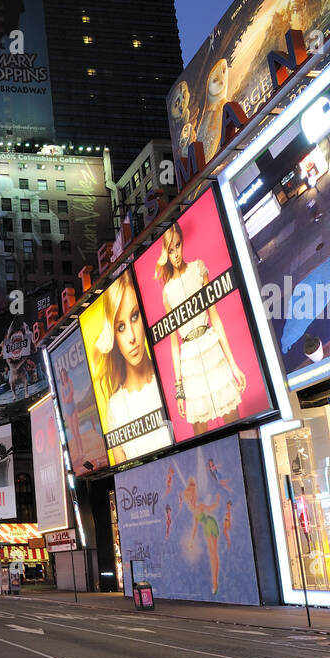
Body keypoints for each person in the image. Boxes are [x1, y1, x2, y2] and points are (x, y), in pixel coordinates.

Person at [155, 221, 249, 435]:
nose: (175, 254)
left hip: (210, 345)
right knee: (200, 431)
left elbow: (215, 316)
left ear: (182, 243)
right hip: (189, 358)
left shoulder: (198, 268)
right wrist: (179, 390)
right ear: (166, 253)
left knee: (233, 421)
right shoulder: (167, 291)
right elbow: (173, 345)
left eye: (177, 246)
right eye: (170, 250)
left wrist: (234, 366)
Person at [93, 274, 172, 460]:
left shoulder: (171, 376)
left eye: (135, 316)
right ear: (113, 335)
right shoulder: (116, 408)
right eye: (121, 327)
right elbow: (124, 478)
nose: (131, 337)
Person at [181, 477, 223, 595]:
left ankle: (215, 583)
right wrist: (191, 540)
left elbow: (212, 507)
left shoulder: (200, 507)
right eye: (189, 500)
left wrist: (218, 501)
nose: (191, 501)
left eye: (192, 498)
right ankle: (215, 583)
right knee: (212, 554)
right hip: (206, 528)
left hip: (211, 524)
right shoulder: (194, 511)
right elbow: (194, 528)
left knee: (213, 553)